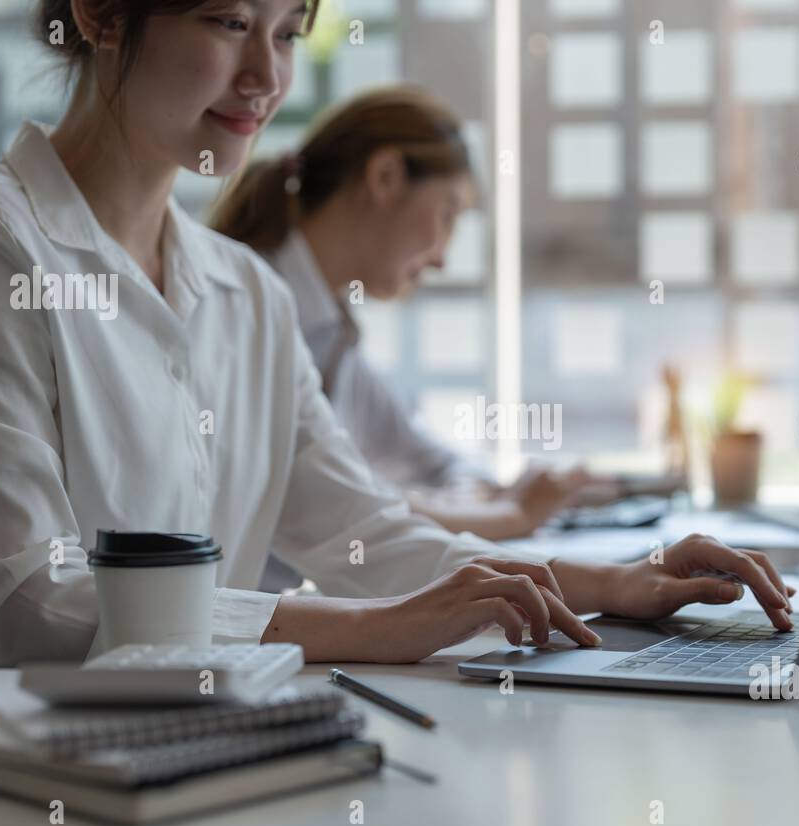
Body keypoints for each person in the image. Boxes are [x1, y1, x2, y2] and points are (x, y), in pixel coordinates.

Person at [0, 0, 794, 694]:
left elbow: (368, 532)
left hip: (163, 751)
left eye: (288, 31)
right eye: (230, 21)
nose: (266, 77)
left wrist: (616, 582)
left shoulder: (246, 292)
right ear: (101, 14)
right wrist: (381, 627)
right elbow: (26, 605)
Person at [211, 85, 593, 543]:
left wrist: (488, 494)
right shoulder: (250, 309)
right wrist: (512, 516)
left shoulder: (332, 334)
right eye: (448, 214)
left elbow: (428, 461)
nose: (441, 260)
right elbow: (343, 504)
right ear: (386, 177)